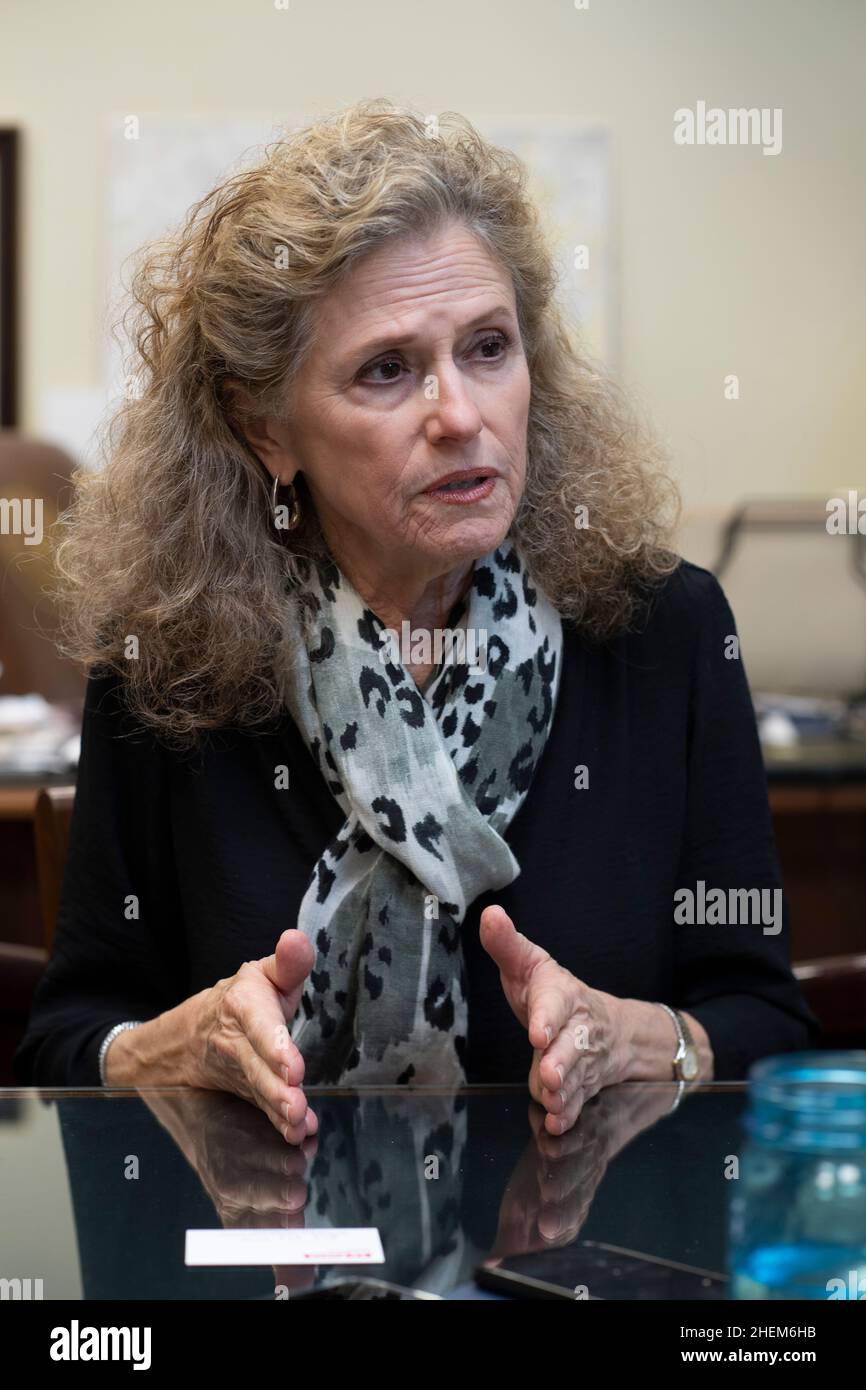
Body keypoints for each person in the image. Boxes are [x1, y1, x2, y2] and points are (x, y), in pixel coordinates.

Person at [14, 98, 820, 1142]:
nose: (458, 413)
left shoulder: (662, 632)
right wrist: (172, 1046)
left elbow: (764, 1018)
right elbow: (71, 1034)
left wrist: (650, 1042)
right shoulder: (170, 660)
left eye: (488, 347)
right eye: (386, 370)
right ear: (266, 428)